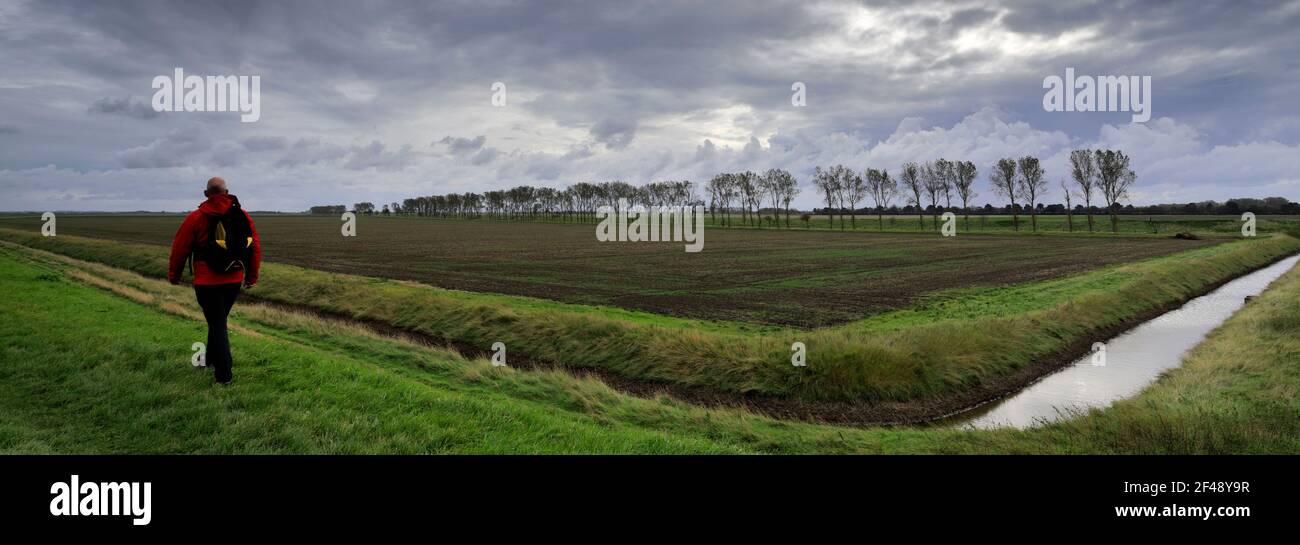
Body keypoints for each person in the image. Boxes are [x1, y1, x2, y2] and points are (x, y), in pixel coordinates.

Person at [168, 177, 261, 385]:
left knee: (218, 323)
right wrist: (251, 276)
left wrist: (174, 276)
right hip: (233, 280)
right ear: (227, 192)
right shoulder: (243, 216)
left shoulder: (196, 217)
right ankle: (209, 360)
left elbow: (179, 249)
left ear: (206, 193)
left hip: (206, 282)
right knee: (217, 321)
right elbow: (254, 247)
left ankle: (224, 375)